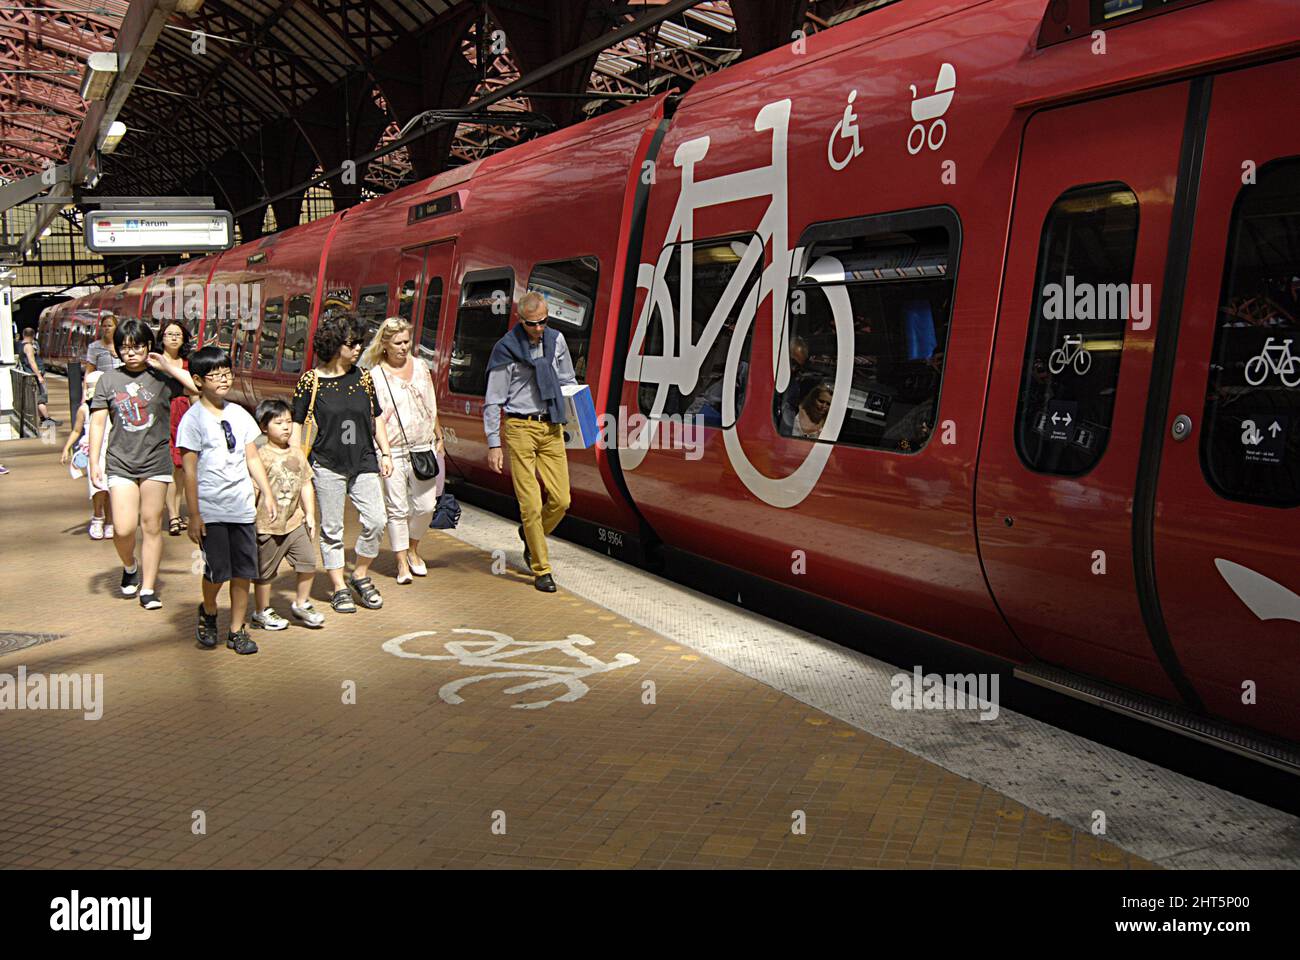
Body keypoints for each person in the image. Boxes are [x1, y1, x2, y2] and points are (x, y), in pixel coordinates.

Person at [88, 318, 199, 609]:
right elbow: (98, 422)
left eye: (137, 346)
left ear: (148, 346)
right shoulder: (108, 380)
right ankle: (130, 566)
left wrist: (168, 366)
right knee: (124, 529)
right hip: (120, 462)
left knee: (151, 526)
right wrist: (93, 461)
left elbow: (197, 389)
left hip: (155, 462)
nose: (131, 352)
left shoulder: (162, 378)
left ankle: (148, 588)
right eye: (124, 347)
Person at [290, 312, 393, 613]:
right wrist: (297, 462)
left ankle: (359, 574)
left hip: (362, 459)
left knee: (377, 520)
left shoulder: (363, 377)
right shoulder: (311, 381)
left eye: (360, 342)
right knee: (332, 529)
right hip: (326, 463)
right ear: (335, 345)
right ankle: (338, 586)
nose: (359, 348)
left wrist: (385, 453)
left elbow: (376, 418)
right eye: (352, 343)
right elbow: (298, 423)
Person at [177, 347, 277, 654]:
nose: (223, 379)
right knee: (216, 570)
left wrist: (267, 493)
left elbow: (252, 458)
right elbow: (189, 472)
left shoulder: (239, 414)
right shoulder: (193, 421)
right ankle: (208, 610)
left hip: (242, 507)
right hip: (211, 510)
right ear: (197, 380)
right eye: (215, 374)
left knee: (243, 571)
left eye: (227, 372)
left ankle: (237, 630)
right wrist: (194, 515)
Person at [484, 291, 575, 593]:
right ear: (520, 320)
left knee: (562, 500)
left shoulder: (556, 341)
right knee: (531, 503)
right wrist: (494, 443)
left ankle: (530, 534)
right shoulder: (506, 350)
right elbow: (493, 400)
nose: (539, 329)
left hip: (551, 426)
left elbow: (567, 381)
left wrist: (578, 410)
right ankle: (541, 568)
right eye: (532, 324)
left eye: (543, 322)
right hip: (520, 427)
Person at [363, 316, 445, 585]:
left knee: (426, 506)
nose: (403, 347)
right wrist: (384, 452)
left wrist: (438, 434)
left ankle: (412, 548)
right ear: (384, 344)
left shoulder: (421, 367)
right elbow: (375, 417)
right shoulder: (375, 375)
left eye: (407, 341)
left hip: (423, 446)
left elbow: (430, 403)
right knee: (396, 509)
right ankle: (401, 564)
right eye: (398, 343)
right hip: (393, 450)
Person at [250, 399, 324, 630]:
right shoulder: (259, 456)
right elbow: (253, 488)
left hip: (294, 522)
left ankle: (301, 603)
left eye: (289, 422)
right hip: (267, 525)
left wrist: (310, 514)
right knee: (265, 573)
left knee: (308, 562)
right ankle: (261, 611)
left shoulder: (297, 454)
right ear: (264, 427)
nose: (286, 427)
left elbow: (306, 484)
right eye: (278, 422)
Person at [61, 370, 113, 540]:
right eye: (89, 386)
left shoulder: (113, 406)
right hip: (94, 454)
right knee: (98, 487)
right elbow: (77, 430)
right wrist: (66, 448)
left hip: (112, 451)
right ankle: (98, 518)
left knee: (111, 488)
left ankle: (110, 521)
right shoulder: (84, 409)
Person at [158, 319, 193, 536]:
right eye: (169, 334)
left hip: (184, 415)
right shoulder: (154, 362)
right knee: (170, 468)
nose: (173, 338)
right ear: (161, 338)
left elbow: (194, 388)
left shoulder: (189, 363)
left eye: (177, 335)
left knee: (181, 469)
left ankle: (177, 512)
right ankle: (172, 515)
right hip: (162, 415)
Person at [19, 327, 58, 428]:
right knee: (41, 398)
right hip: (34, 375)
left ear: (23, 334)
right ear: (33, 336)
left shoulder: (21, 345)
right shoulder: (28, 346)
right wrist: (39, 376)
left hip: (31, 374)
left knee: (39, 398)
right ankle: (47, 420)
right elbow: (32, 362)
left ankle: (43, 419)